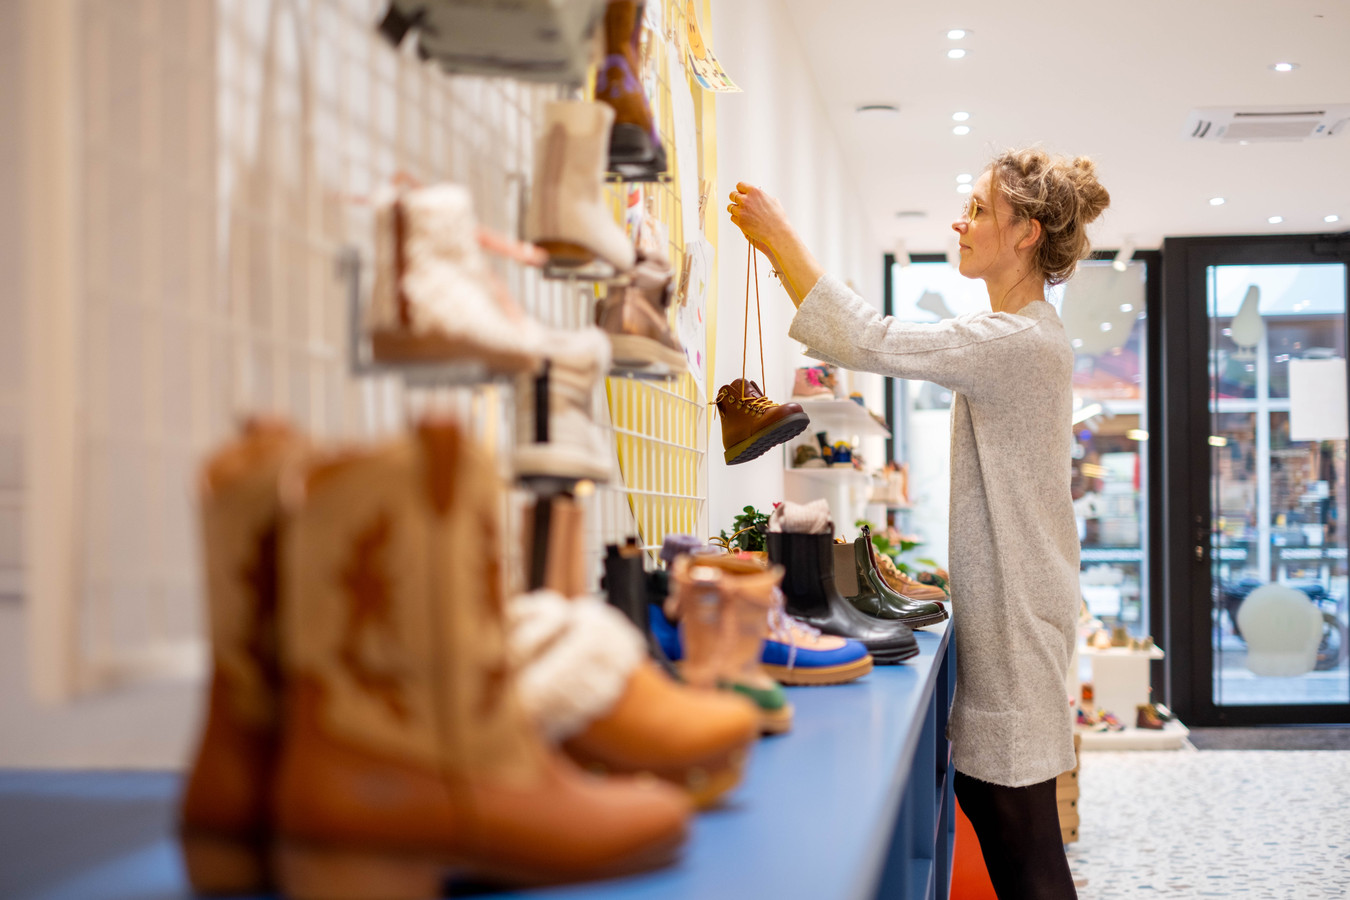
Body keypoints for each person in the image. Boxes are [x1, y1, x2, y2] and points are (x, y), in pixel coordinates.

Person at [728, 147, 1110, 900]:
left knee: (1021, 829)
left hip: (1017, 607)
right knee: (995, 805)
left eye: (977, 209)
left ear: (1026, 232)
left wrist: (780, 240)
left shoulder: (1018, 342)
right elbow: (868, 337)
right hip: (1015, 601)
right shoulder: (1011, 333)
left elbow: (873, 340)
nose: (959, 221)